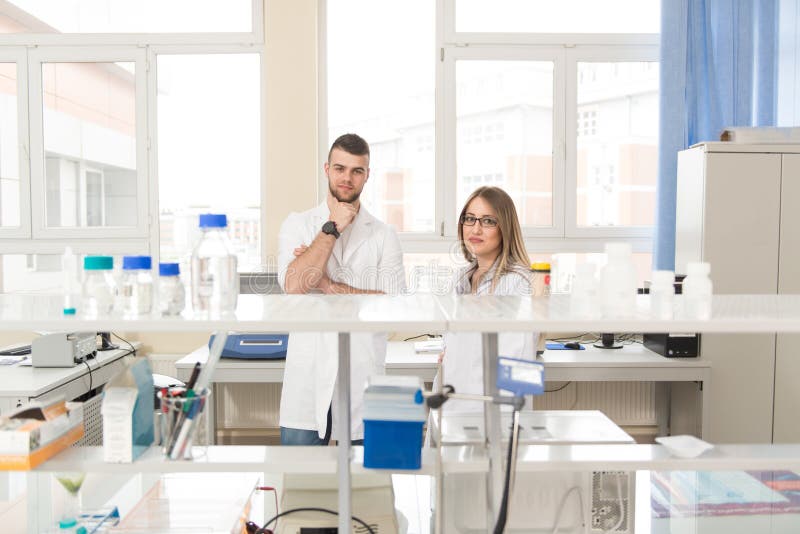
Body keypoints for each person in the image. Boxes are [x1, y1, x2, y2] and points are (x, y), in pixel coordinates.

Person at [276, 133, 406, 445]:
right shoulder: (298, 224)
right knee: (303, 486)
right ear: (327, 169)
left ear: (367, 175)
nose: (347, 178)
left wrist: (328, 286)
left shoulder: (384, 235)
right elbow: (295, 285)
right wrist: (331, 227)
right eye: (340, 169)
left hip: (362, 376)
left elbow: (394, 307)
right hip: (307, 376)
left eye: (356, 171)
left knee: (368, 488)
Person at [440, 186, 540, 414]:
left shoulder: (519, 282)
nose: (476, 228)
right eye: (470, 219)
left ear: (505, 227)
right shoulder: (462, 278)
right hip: (454, 401)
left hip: (494, 413)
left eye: (488, 221)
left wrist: (505, 427)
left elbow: (520, 364)